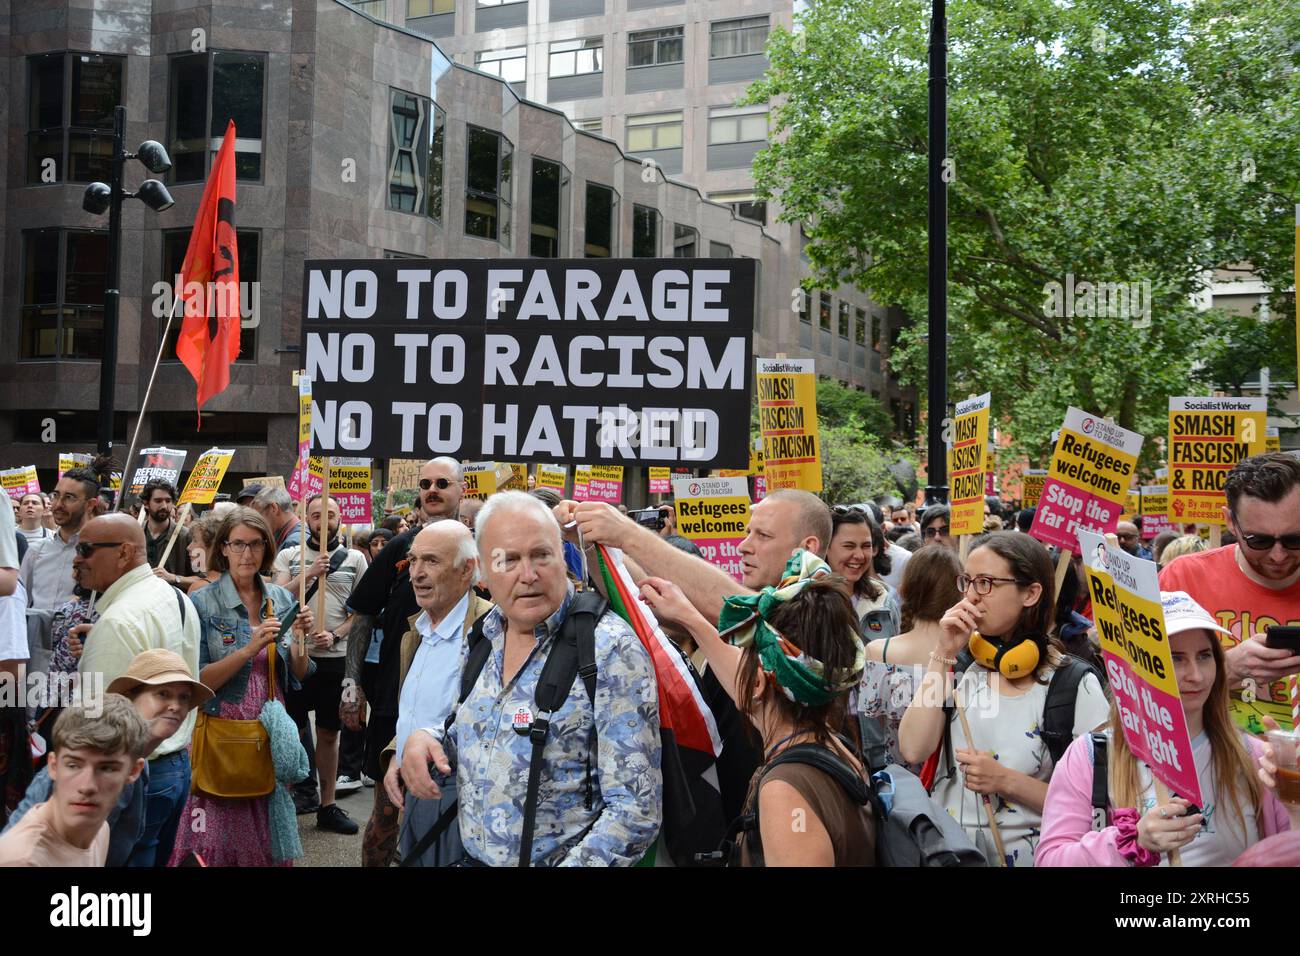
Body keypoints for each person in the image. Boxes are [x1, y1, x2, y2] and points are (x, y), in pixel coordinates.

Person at [399, 492, 661, 866]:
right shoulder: (482, 639)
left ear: (563, 558)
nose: (528, 574)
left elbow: (636, 811)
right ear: (483, 575)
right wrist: (427, 739)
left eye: (541, 555)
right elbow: (477, 737)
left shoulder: (609, 650)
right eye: (509, 559)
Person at [640, 551, 875, 865]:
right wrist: (690, 618)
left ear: (759, 684)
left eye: (746, 661)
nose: (737, 669)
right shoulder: (834, 744)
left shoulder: (786, 789)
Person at [898, 532, 1111, 866]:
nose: (971, 596)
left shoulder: (1075, 684)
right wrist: (943, 653)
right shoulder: (961, 666)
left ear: (1030, 593)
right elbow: (912, 749)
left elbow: (1098, 806)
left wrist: (1005, 781)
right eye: (967, 582)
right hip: (947, 855)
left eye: (986, 583)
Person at [1037, 592, 1290, 866]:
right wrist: (1132, 841)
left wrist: (1293, 796)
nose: (1195, 675)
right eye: (1175, 658)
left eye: (1204, 656)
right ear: (1134, 665)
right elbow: (1051, 860)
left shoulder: (1253, 757)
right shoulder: (1091, 755)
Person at [171, 508, 315, 867]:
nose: (247, 554)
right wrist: (249, 648)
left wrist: (299, 640)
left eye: (255, 545)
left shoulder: (280, 600)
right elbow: (197, 681)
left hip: (268, 730)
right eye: (238, 545)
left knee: (263, 839)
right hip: (221, 727)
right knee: (215, 838)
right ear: (223, 548)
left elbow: (297, 673)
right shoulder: (202, 602)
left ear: (267, 549)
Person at [343, 456, 465, 866]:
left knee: (452, 819)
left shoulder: (481, 551)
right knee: (386, 809)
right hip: (396, 706)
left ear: (461, 490)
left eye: (442, 483)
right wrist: (351, 684)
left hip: (458, 713)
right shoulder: (398, 546)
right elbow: (362, 614)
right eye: (425, 482)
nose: (431, 490)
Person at [73, 513, 202, 867]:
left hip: (137, 775)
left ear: (124, 552)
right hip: (172, 767)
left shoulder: (119, 621)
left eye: (85, 549)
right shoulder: (174, 596)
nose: (76, 559)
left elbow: (103, 729)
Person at [5, 649, 212, 866]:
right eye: (163, 694)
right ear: (131, 696)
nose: (175, 706)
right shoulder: (90, 753)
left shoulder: (137, 757)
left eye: (184, 697)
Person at [1158, 453, 1300, 732]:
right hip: (1213, 765)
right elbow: (1138, 687)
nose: (1278, 555)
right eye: (1258, 540)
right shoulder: (1183, 579)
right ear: (1230, 522)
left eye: (1295, 539)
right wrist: (1227, 670)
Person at [380, 521, 492, 866]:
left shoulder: (490, 631)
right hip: (418, 792)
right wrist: (398, 752)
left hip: (460, 799)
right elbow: (418, 707)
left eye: (431, 561)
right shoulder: (417, 630)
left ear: (467, 568)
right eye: (412, 561)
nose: (416, 573)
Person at [273, 493, 368, 830]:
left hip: (334, 660)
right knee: (292, 731)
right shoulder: (289, 555)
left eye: (329, 514)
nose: (323, 521)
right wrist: (311, 572)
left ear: (339, 518)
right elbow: (278, 597)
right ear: (305, 518)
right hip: (295, 656)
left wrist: (337, 634)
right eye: (316, 515)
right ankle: (295, 796)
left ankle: (328, 806)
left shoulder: (355, 558)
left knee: (329, 733)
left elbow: (361, 614)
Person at [0, 697, 149, 867]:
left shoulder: (99, 829)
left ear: (134, 771)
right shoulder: (21, 860)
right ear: (53, 766)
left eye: (107, 768)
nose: (87, 786)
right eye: (73, 765)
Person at [858, 545, 963, 771]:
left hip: (901, 783)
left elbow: (872, 728)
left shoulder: (879, 651)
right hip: (956, 782)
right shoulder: (969, 653)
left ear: (903, 591)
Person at [20, 457, 110, 674]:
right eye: (56, 495)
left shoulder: (103, 552)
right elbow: (21, 600)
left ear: (91, 504)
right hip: (35, 654)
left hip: (80, 655)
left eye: (69, 498)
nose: (58, 504)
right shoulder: (36, 551)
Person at [827, 507, 899, 640]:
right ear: (826, 547)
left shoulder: (884, 602)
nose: (859, 555)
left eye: (866, 546)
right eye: (849, 546)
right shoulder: (806, 603)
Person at [141, 479, 193, 583]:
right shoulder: (134, 533)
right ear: (146, 503)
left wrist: (174, 578)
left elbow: (204, 580)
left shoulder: (187, 536)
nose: (164, 506)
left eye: (168, 501)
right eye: (158, 501)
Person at [180, 511, 224, 594]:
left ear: (211, 546)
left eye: (195, 540)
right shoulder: (233, 580)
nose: (188, 547)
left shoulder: (198, 589)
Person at [251, 485, 303, 553]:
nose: (257, 523)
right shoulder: (290, 535)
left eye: (259, 516)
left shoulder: (293, 542)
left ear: (274, 508)